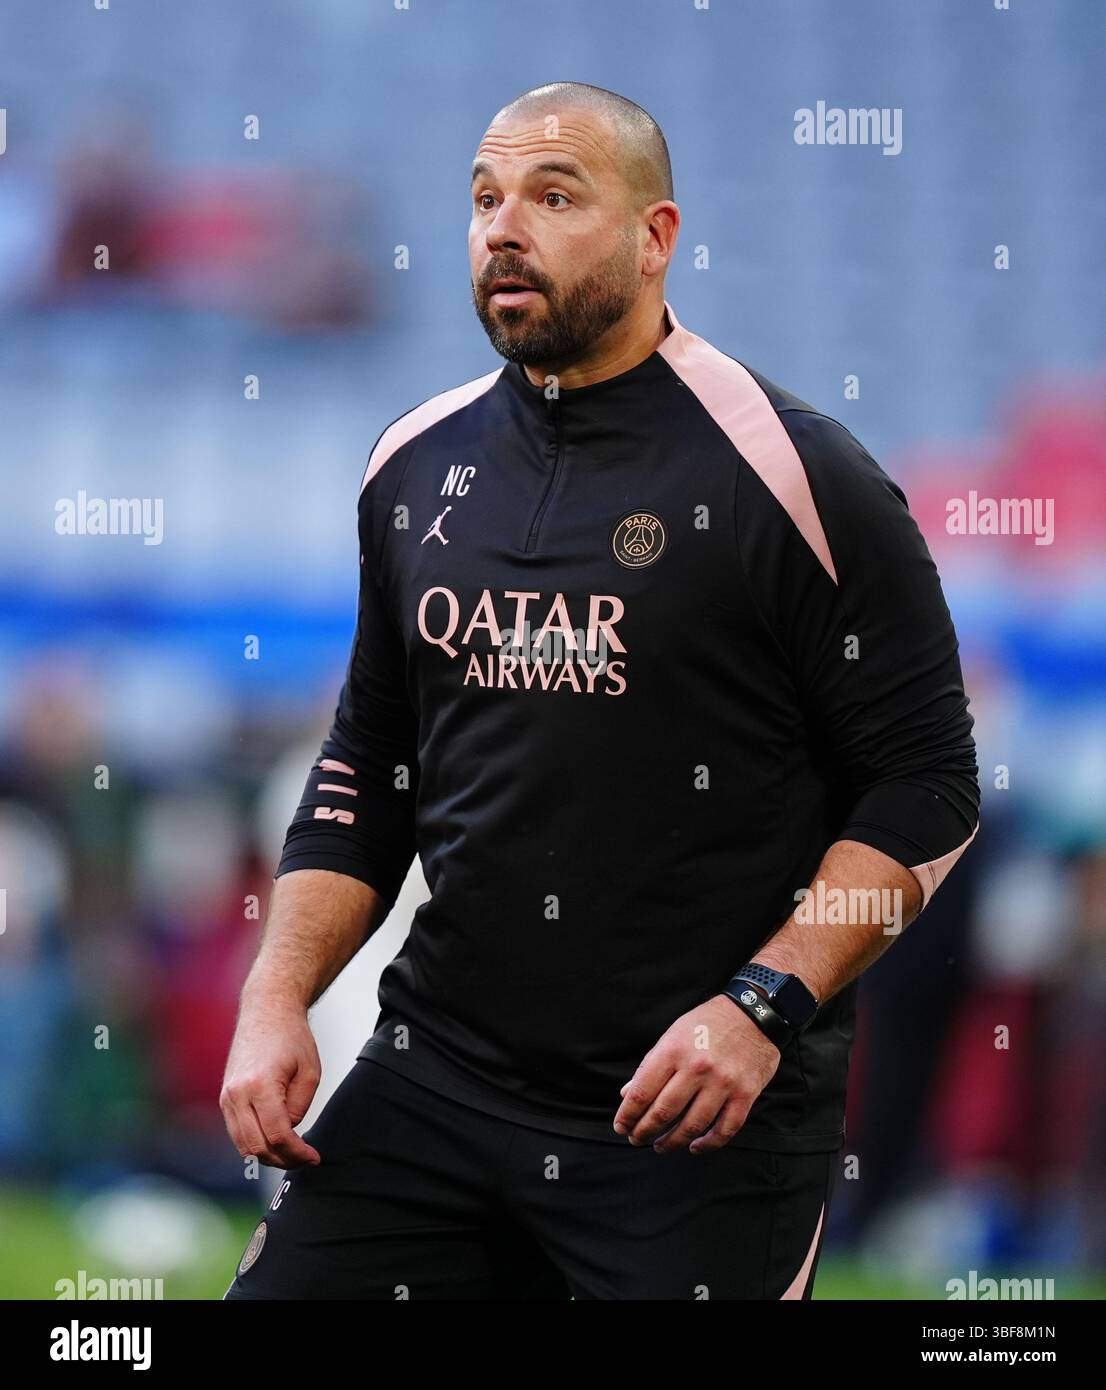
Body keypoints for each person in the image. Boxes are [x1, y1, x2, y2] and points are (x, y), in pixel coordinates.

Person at [221, 81, 979, 1300]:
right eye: (482, 199)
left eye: (552, 195)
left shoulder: (794, 476)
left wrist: (758, 1004)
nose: (501, 228)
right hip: (439, 1076)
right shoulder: (414, 465)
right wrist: (276, 1000)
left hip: (692, 1118)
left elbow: (930, 790)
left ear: (654, 236)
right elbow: (368, 768)